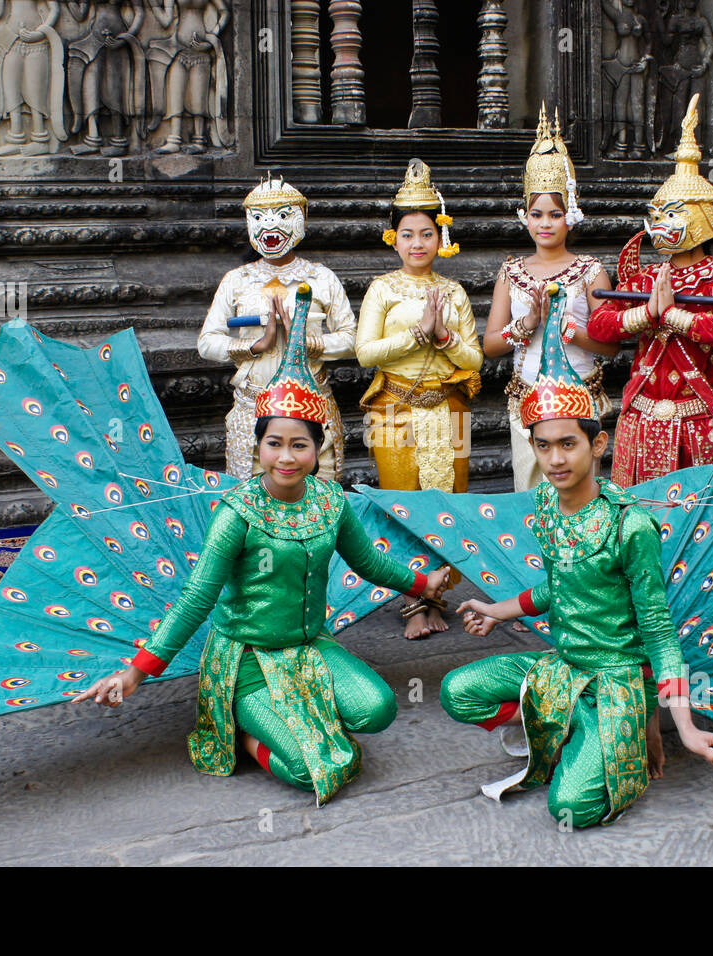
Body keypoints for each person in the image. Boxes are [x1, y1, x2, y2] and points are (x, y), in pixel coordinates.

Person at [75, 284, 450, 805]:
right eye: (275, 443)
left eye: (300, 444)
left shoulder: (329, 502)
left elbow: (367, 562)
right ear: (259, 446)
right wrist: (138, 672)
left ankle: (301, 714)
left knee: (378, 709)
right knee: (316, 767)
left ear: (319, 449)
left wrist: (422, 582)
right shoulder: (237, 513)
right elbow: (196, 598)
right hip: (248, 660)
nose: (286, 457)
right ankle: (241, 729)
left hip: (309, 648)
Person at [442, 282, 713, 828]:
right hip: (564, 669)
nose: (554, 459)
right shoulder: (547, 510)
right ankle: (579, 731)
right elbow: (561, 588)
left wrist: (681, 725)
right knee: (460, 692)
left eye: (568, 443)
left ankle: (620, 733)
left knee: (571, 807)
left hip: (618, 678)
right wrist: (498, 609)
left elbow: (658, 628)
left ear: (597, 445)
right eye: (543, 445)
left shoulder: (631, 526)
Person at [588, 92, 713, 487]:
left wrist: (674, 315)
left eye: (673, 216)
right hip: (640, 415)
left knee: (696, 518)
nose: (662, 227)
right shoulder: (644, 279)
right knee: (639, 518)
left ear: (706, 218)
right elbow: (600, 325)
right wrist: (646, 314)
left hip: (697, 419)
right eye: (657, 217)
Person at [356, 158, 483, 639]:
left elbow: (473, 360)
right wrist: (417, 334)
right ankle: (413, 604)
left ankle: (438, 597)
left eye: (426, 234)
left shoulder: (453, 291)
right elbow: (366, 353)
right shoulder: (382, 289)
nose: (417, 244)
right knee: (401, 506)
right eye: (407, 234)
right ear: (394, 238)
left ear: (440, 237)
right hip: (393, 406)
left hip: (447, 407)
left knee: (447, 506)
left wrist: (446, 338)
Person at [484, 105, 617, 493]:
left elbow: (611, 346)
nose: (545, 223)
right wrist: (525, 326)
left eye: (555, 214)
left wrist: (571, 332)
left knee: (579, 491)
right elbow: (490, 346)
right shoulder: (511, 273)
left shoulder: (591, 270)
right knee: (529, 491)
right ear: (524, 215)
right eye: (537, 214)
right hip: (527, 397)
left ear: (570, 216)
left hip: (580, 398)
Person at [197, 175, 356, 481]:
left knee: (316, 505)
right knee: (255, 508)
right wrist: (256, 345)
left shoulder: (321, 278)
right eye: (259, 217)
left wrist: (303, 339)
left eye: (283, 215)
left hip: (311, 408)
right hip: (253, 409)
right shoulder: (236, 280)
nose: (270, 226)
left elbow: (352, 339)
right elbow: (207, 342)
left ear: (301, 219)